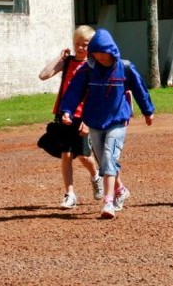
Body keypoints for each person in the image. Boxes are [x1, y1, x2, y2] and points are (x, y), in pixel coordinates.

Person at [60, 28, 155, 219]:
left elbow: (140, 90)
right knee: (104, 162)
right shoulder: (88, 70)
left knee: (110, 158)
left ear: (112, 50)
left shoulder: (125, 67)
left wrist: (148, 111)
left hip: (117, 121)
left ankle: (108, 202)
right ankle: (120, 190)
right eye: (96, 53)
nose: (100, 57)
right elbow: (73, 91)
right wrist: (67, 111)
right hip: (95, 122)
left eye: (104, 53)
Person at [39, 25, 103, 210]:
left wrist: (87, 121)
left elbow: (95, 96)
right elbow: (43, 75)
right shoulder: (68, 62)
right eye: (77, 44)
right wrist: (60, 57)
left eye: (85, 44)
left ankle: (96, 176)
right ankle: (70, 194)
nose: (81, 47)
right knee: (65, 154)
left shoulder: (94, 66)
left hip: (83, 116)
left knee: (84, 156)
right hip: (64, 114)